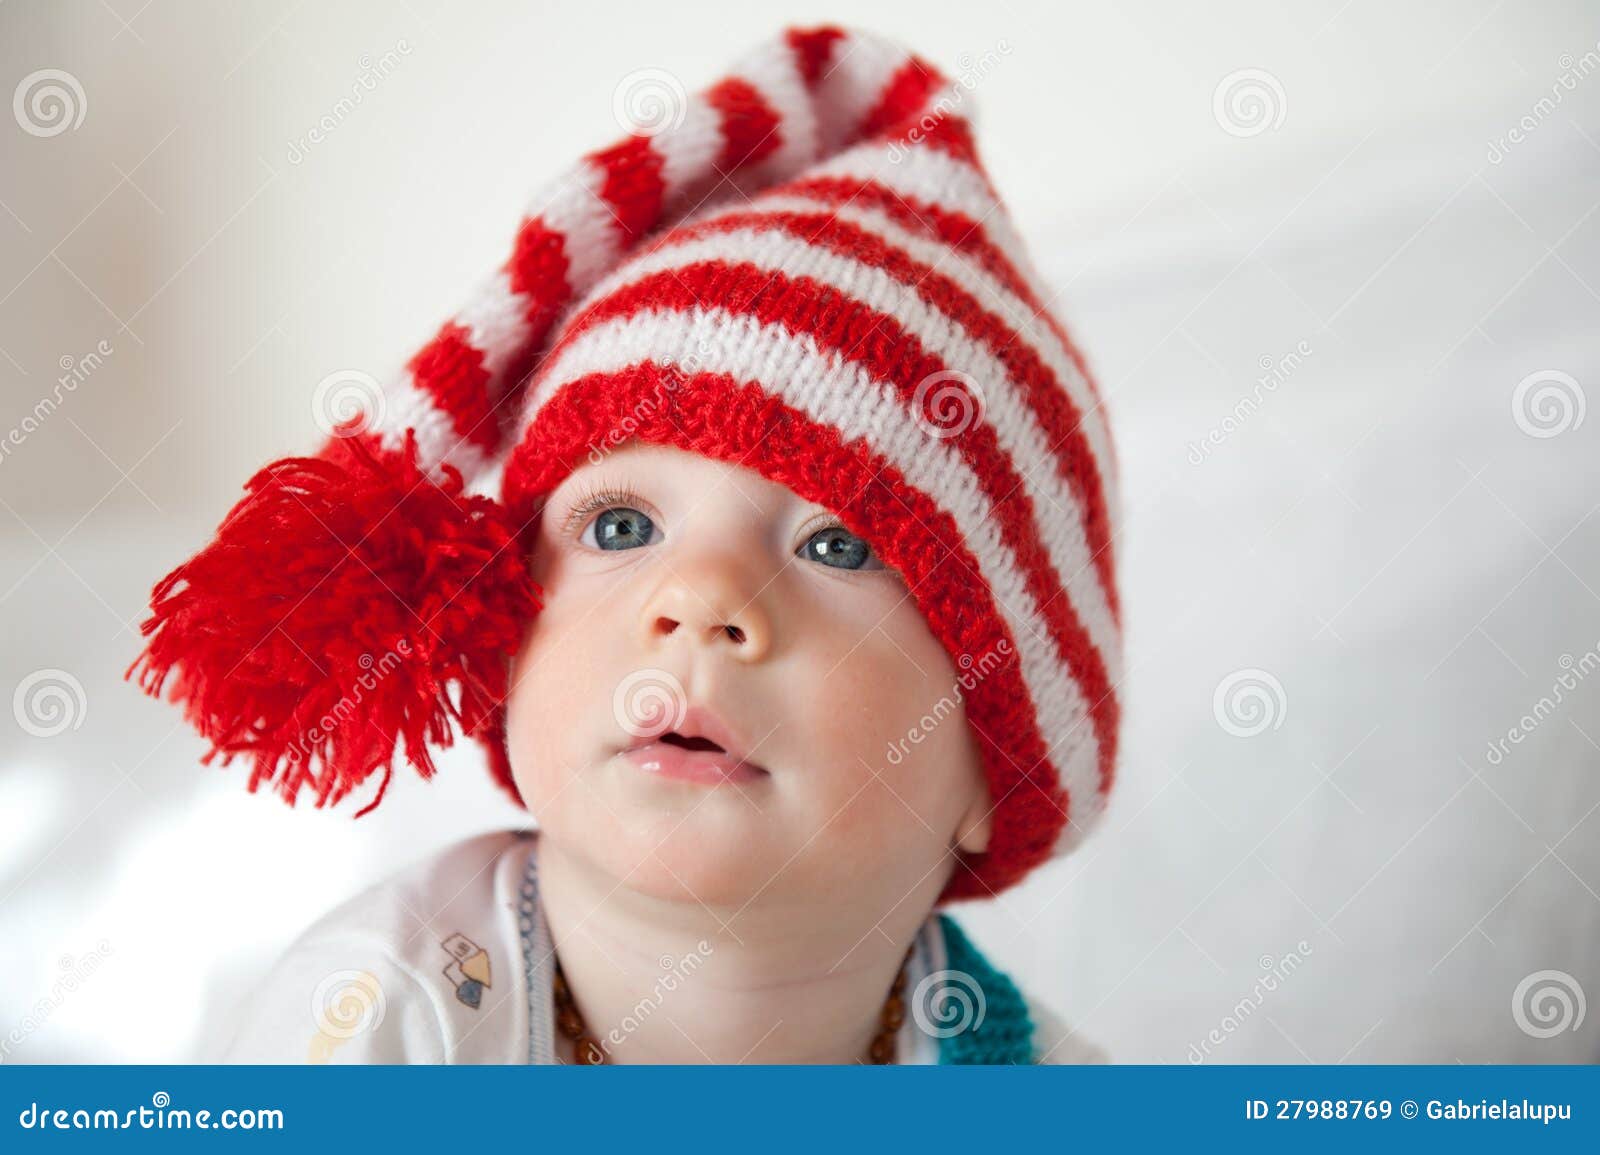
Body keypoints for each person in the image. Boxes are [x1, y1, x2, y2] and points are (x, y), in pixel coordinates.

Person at [131, 24, 1122, 1065]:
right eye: (621, 527)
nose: (699, 598)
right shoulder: (388, 1011)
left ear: (994, 767)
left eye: (838, 547)